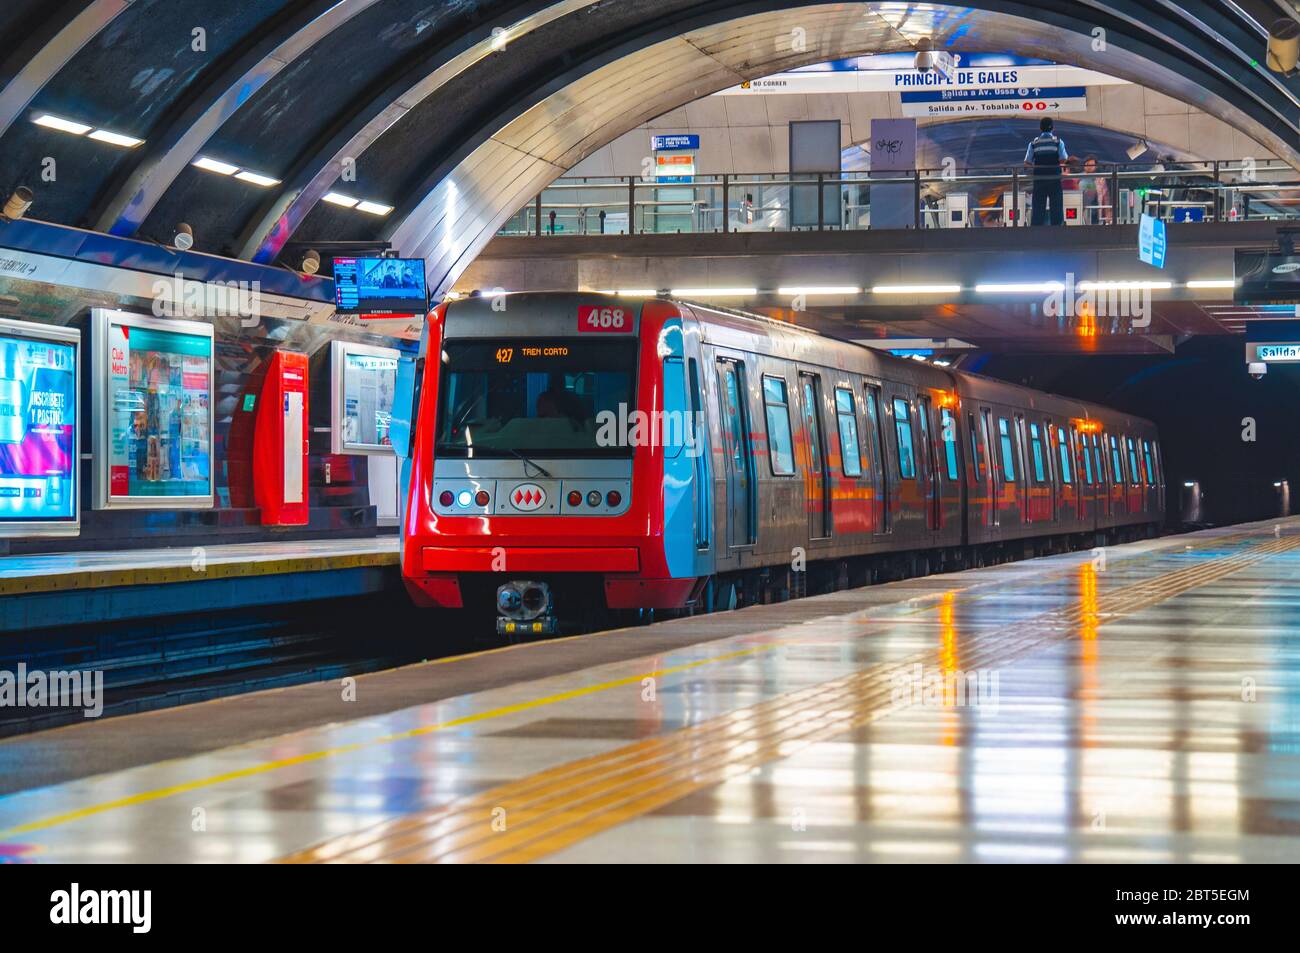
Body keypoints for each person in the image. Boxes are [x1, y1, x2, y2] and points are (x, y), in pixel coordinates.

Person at [1023, 117, 1074, 226]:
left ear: (1040, 128)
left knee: (1038, 208)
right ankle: (1057, 232)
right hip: (1054, 178)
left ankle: (1036, 233)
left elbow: (1027, 162)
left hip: (1039, 179)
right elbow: (1063, 159)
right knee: (1056, 207)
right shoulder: (1058, 142)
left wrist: (1037, 167)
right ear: (1053, 128)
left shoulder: (1033, 143)